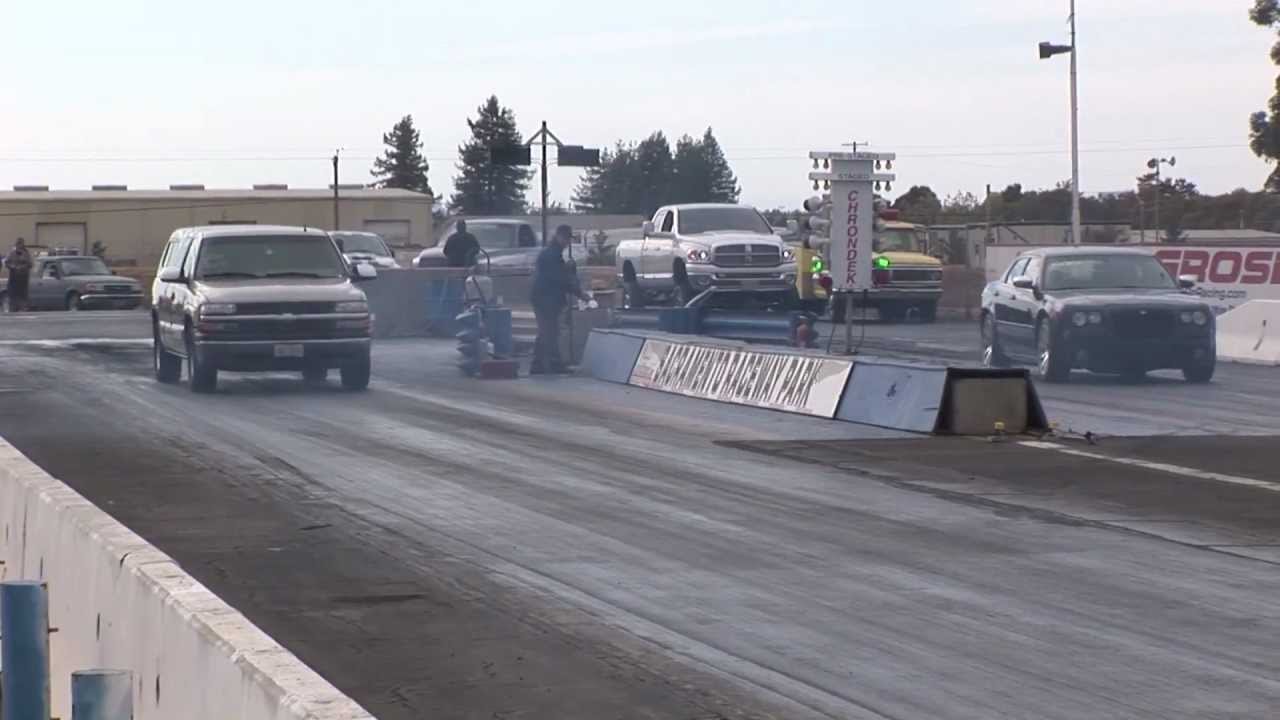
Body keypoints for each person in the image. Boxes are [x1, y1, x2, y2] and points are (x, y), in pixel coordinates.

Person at [530, 225, 592, 375]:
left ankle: (538, 365)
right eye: (565, 239)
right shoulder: (551, 255)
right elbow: (560, 279)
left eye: (568, 239)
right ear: (559, 236)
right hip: (546, 298)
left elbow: (560, 277)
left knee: (546, 331)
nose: (567, 243)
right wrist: (580, 293)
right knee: (550, 331)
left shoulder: (552, 253)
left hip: (544, 297)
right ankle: (553, 363)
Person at [4, 238, 32, 312]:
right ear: (16, 245)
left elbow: (30, 264)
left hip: (23, 280)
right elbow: (6, 263)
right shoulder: (12, 253)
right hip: (13, 280)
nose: (19, 246)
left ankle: (23, 310)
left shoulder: (26, 254)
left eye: (21, 244)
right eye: (18, 244)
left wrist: (22, 267)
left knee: (23, 300)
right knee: (13, 300)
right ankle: (13, 310)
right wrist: (13, 266)